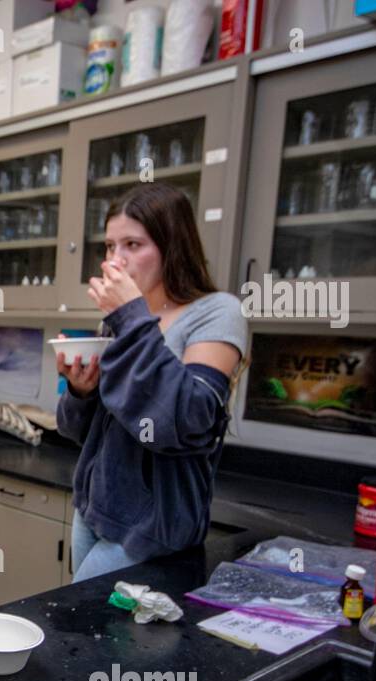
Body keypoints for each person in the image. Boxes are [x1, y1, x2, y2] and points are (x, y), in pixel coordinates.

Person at [57, 182, 248, 582]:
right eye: (110, 246)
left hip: (153, 525)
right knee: (85, 636)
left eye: (133, 244)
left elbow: (185, 422)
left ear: (172, 245)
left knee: (99, 629)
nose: (117, 260)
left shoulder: (217, 313)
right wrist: (80, 391)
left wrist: (130, 317)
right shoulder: (119, 322)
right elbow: (76, 431)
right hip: (94, 509)